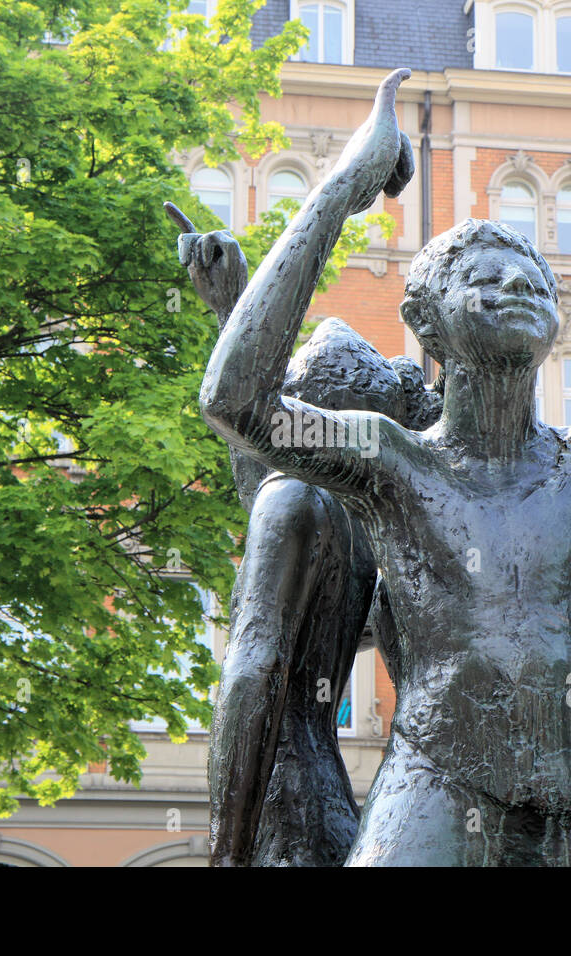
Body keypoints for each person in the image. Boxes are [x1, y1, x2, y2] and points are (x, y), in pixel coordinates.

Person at [199, 69, 571, 866]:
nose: (517, 284)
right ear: (424, 323)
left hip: (566, 817)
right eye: (483, 277)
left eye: (534, 278)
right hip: (432, 795)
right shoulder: (390, 459)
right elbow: (236, 401)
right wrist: (341, 190)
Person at [169, 205, 439, 865]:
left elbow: (252, 672)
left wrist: (225, 852)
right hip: (327, 791)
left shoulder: (295, 505)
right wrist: (232, 310)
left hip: (282, 792)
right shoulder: (362, 525)